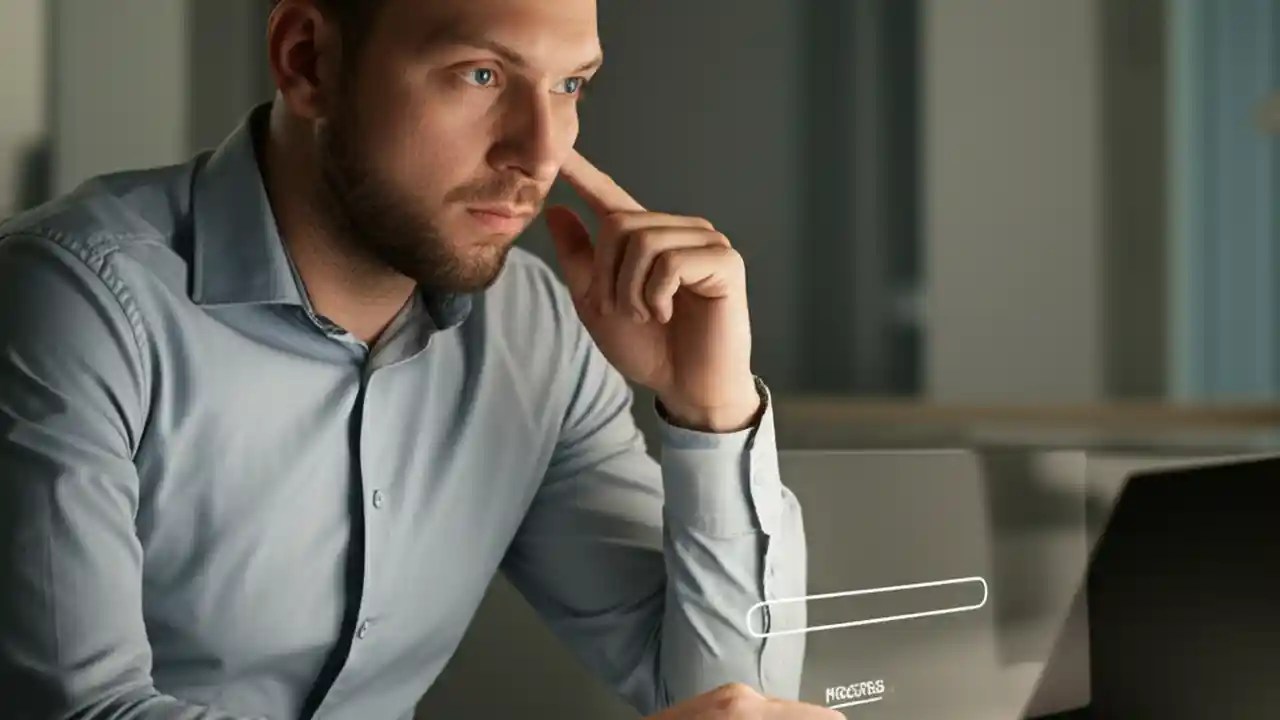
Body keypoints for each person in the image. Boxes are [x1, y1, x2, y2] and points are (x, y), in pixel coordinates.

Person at [0, 0, 836, 718]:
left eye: (570, 84)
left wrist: (711, 407)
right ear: (308, 61)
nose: (537, 154)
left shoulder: (530, 330)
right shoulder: (71, 302)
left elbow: (724, 696)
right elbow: (84, 709)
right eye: (480, 75)